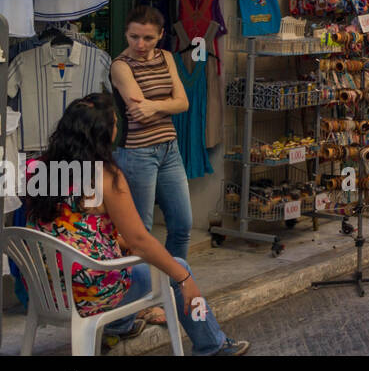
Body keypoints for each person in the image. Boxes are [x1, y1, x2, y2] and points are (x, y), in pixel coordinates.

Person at [25, 94, 249, 354]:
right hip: (90, 295)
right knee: (177, 268)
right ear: (103, 134)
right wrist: (185, 279)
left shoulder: (37, 169)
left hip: (49, 291)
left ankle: (120, 325)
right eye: (115, 124)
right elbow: (140, 241)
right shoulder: (106, 176)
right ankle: (214, 345)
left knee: (127, 253)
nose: (118, 129)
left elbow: (68, 229)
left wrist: (116, 242)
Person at [110, 6, 193, 262]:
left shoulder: (166, 57)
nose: (140, 44)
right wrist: (168, 104)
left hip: (170, 149)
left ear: (160, 35)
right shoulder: (121, 66)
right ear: (126, 34)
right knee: (139, 232)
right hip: (137, 153)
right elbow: (138, 112)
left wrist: (155, 105)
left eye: (148, 38)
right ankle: (137, 291)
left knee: (182, 225)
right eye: (134, 37)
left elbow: (184, 103)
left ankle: (174, 287)